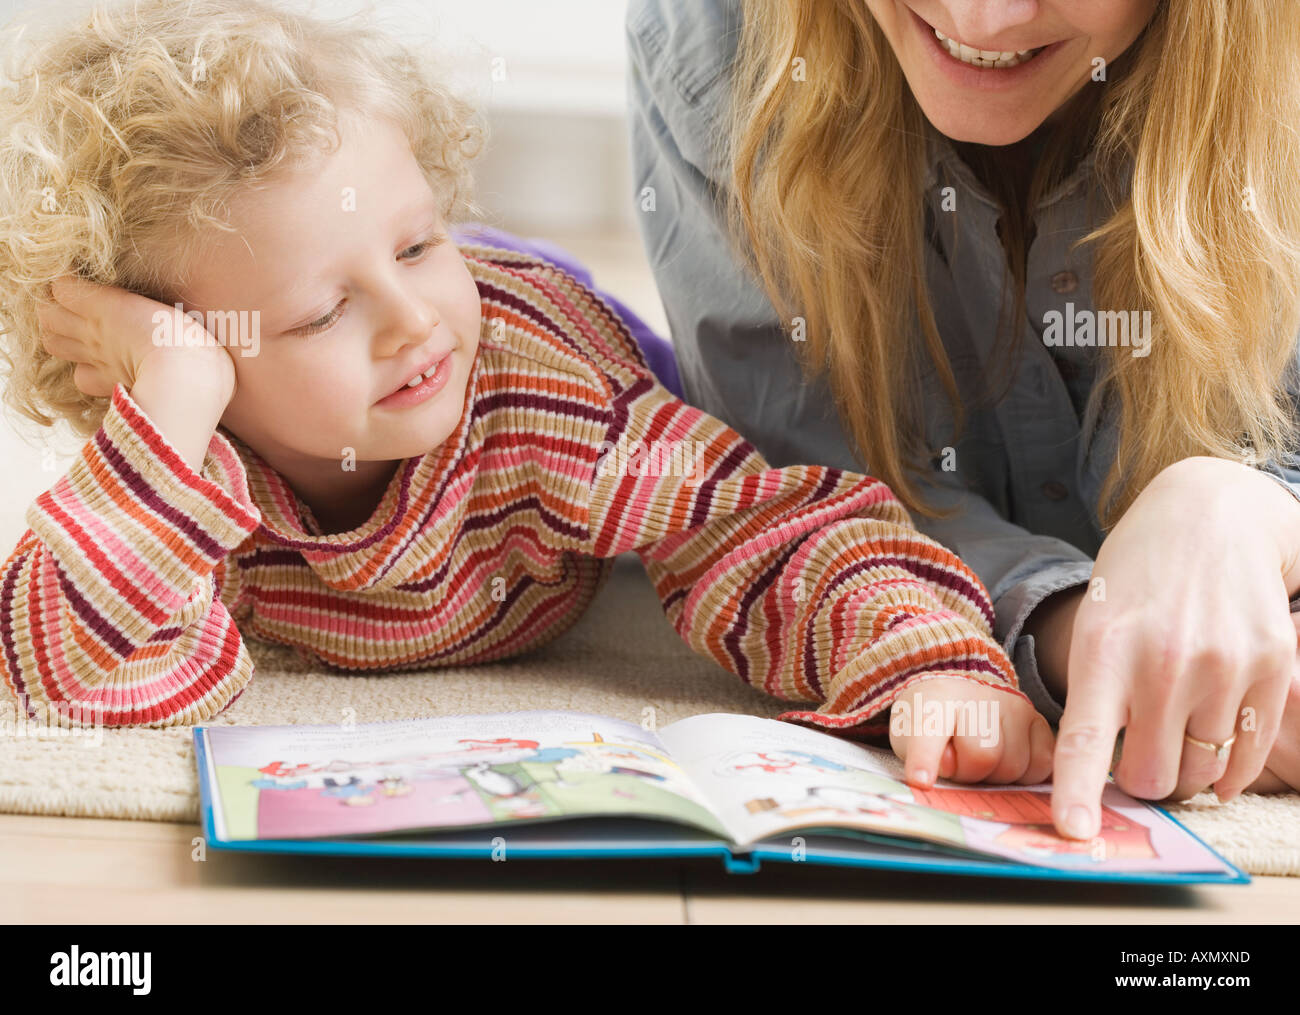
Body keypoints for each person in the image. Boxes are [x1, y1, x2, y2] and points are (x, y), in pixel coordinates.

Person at [0, 0, 1051, 787]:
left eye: (418, 242)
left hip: (551, 354)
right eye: (322, 314)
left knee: (647, 424)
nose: (409, 320)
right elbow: (60, 679)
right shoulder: (194, 467)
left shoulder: (559, 410)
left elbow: (761, 527)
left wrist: (934, 662)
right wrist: (173, 405)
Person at [626, 0, 1300, 839]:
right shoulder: (713, 35)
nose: (981, 19)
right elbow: (804, 478)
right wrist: (1074, 624)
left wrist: (1247, 507)